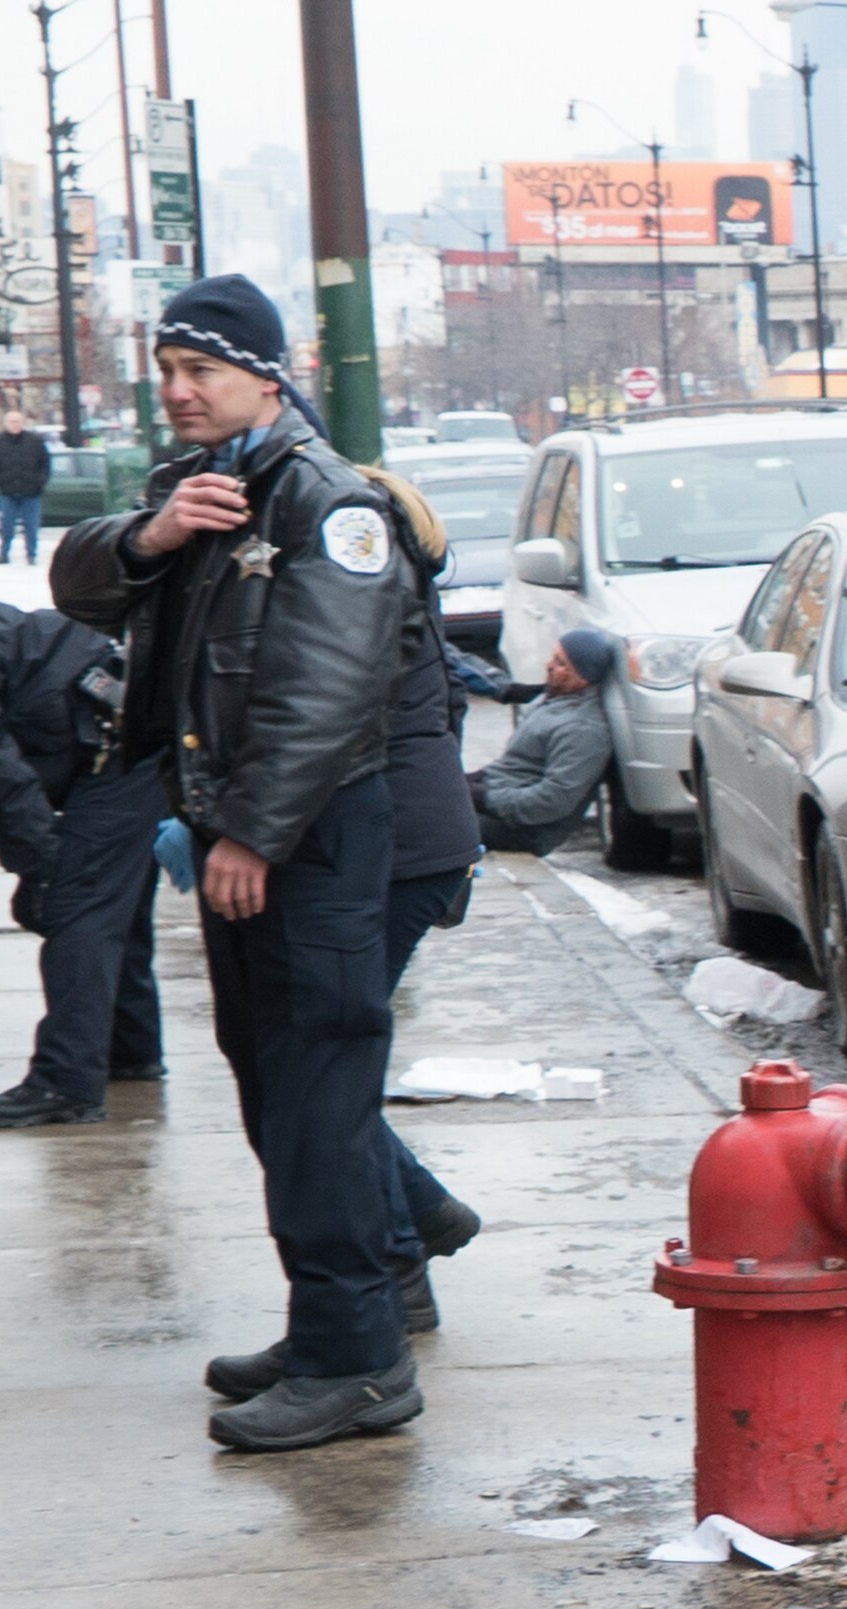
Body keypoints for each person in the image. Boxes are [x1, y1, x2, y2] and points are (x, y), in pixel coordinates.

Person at [51, 272, 426, 1454]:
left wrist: (254, 832)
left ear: (265, 374)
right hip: (239, 825)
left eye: (199, 371)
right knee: (274, 1085)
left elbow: (326, 692)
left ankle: (361, 1356)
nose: (177, 392)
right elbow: (80, 582)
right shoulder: (211, 491)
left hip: (307, 837)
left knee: (317, 1087)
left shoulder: (325, 502)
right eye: (166, 372)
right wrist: (152, 534)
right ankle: (332, 1325)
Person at [0, 595, 163, 1126]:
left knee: (75, 904)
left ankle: (66, 1084)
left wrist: (37, 871)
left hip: (116, 746)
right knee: (111, 904)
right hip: (122, 723)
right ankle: (128, 1049)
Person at [361, 466, 487, 1331]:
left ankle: (411, 1240)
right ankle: (420, 1222)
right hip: (418, 848)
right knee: (320, 1068)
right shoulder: (406, 578)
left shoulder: (369, 582)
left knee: (321, 1073)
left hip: (400, 850)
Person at [467, 627, 615, 853]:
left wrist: (484, 797)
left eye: (561, 663)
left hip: (525, 829)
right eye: (553, 656)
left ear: (583, 679)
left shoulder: (582, 730)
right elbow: (515, 767)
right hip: (499, 802)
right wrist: (473, 781)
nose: (549, 665)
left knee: (423, 824)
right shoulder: (557, 702)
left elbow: (552, 801)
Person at [0, 409, 50, 566]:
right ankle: (4, 553)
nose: (15, 425)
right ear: (6, 423)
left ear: (22, 423)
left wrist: (39, 482)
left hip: (31, 492)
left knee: (31, 526)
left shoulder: (35, 441)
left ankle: (31, 555)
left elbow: (45, 464)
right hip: (7, 491)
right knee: (6, 525)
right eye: (11, 421)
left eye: (17, 421)